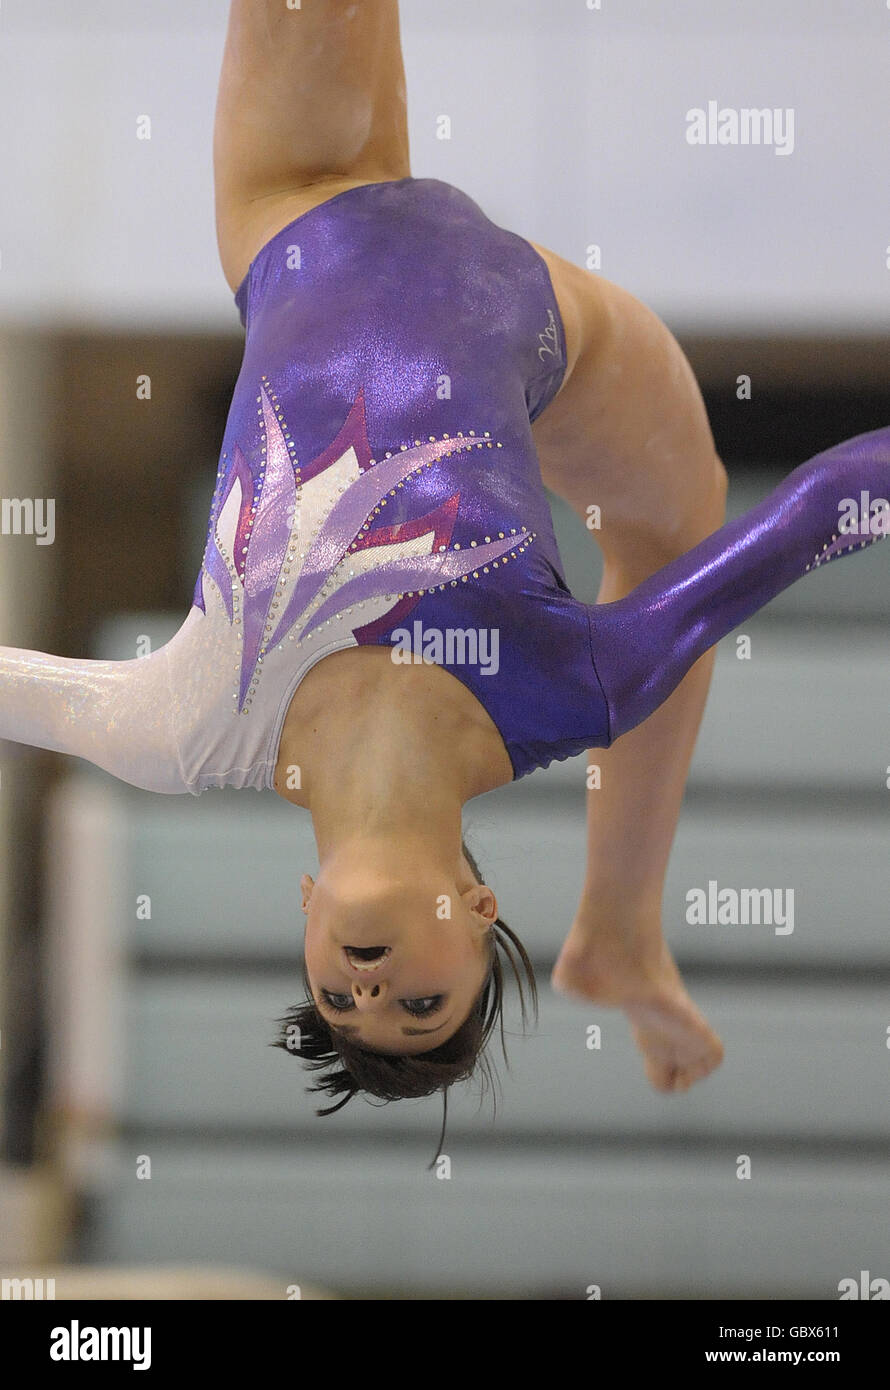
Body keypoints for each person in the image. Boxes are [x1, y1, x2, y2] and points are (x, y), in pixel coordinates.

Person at [4, 2, 888, 1146]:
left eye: (340, 997)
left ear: (307, 915)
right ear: (477, 913)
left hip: (296, 211)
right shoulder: (565, 691)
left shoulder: (187, 727)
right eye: (422, 1003)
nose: (370, 991)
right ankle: (616, 928)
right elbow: (817, 513)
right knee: (675, 528)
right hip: (558, 337)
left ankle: (615, 937)